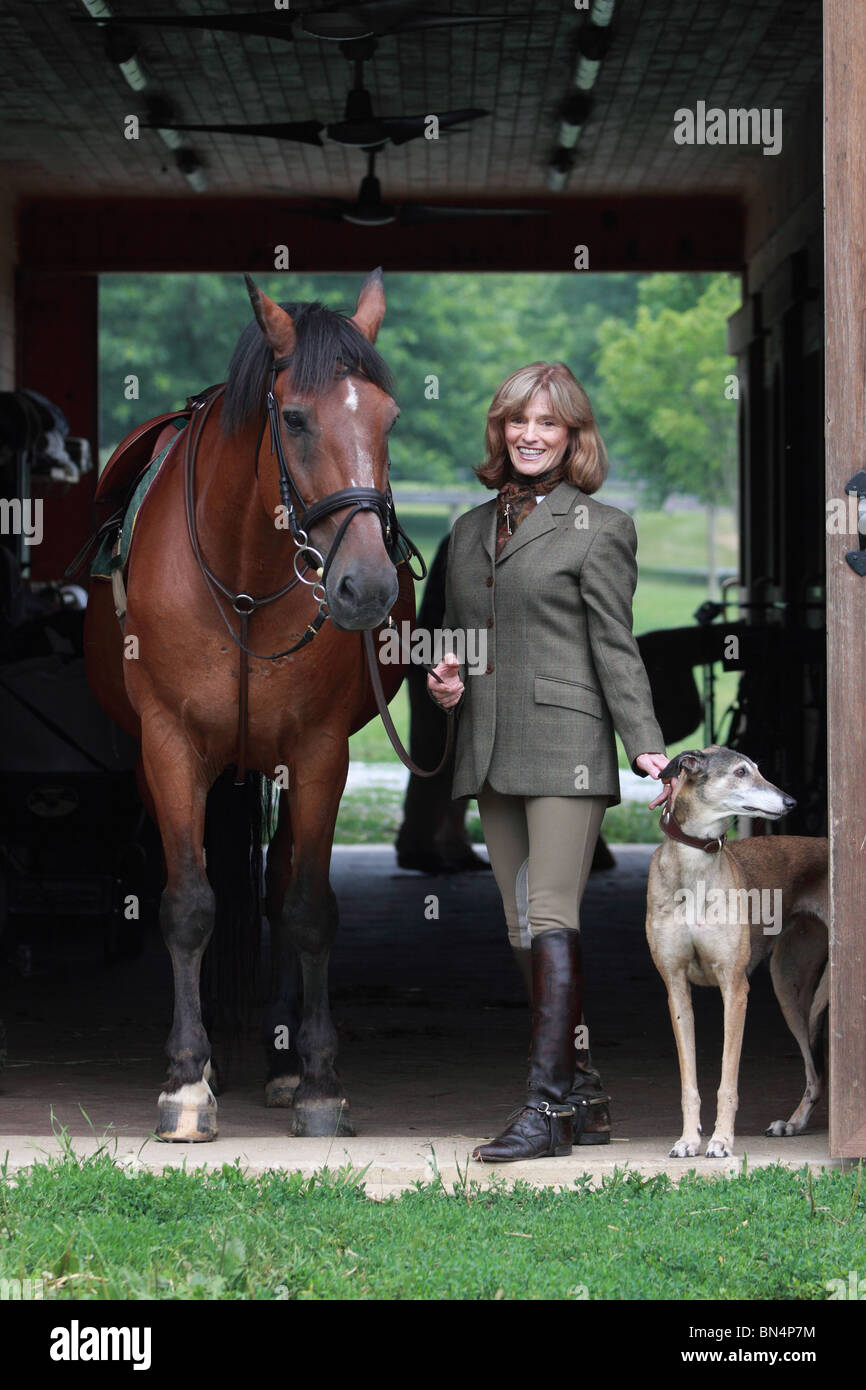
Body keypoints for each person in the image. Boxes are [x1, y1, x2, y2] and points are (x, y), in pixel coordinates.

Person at [427, 362, 668, 1162]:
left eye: (548, 424)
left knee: (552, 915)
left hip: (567, 745)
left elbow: (615, 645)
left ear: (573, 437)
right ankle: (586, 1091)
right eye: (516, 421)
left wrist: (647, 746)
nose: (530, 435)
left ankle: (546, 1108)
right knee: (519, 928)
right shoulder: (463, 531)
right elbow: (454, 634)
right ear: (500, 430)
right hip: (488, 747)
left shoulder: (600, 528)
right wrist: (446, 676)